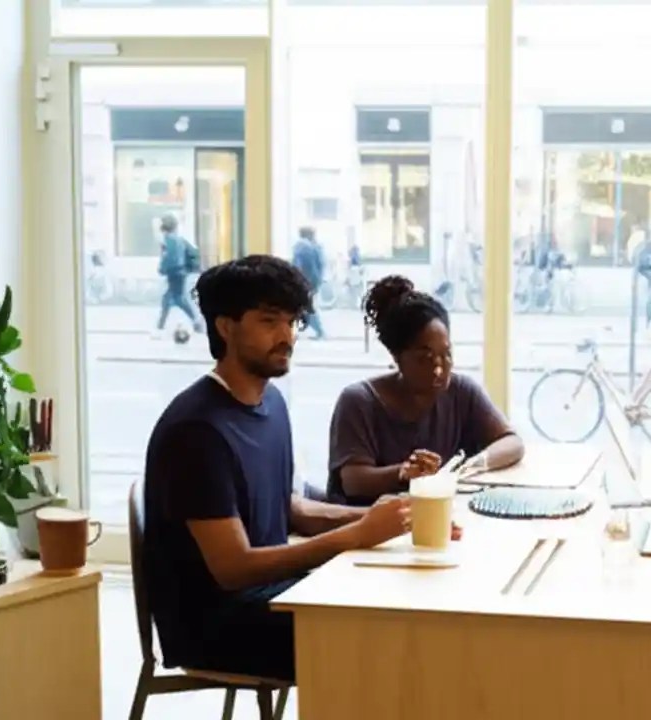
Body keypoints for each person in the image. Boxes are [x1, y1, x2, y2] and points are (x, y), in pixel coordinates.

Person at [142, 255, 441, 683]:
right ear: (225, 327)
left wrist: (402, 517)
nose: (286, 336)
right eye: (269, 321)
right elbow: (233, 568)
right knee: (395, 639)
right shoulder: (196, 430)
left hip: (270, 598)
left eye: (291, 322)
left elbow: (291, 508)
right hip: (218, 626)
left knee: (408, 604)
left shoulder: (271, 404)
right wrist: (356, 534)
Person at [326, 275, 525, 505]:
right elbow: (354, 481)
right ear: (397, 357)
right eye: (425, 358)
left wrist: (473, 465)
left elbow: (512, 442)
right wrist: (405, 472)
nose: (439, 369)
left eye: (447, 354)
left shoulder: (461, 391)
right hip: (370, 525)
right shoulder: (359, 401)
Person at [154, 214, 204, 338]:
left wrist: (163, 269)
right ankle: (160, 326)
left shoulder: (169, 239)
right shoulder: (175, 239)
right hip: (179, 272)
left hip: (175, 272)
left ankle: (196, 322)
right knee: (171, 298)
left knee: (177, 299)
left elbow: (171, 258)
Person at [291, 226, 326, 339]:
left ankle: (319, 331)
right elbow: (320, 265)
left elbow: (298, 266)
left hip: (304, 281)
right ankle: (318, 330)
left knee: (302, 306)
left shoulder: (301, 247)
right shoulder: (316, 247)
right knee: (303, 305)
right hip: (313, 281)